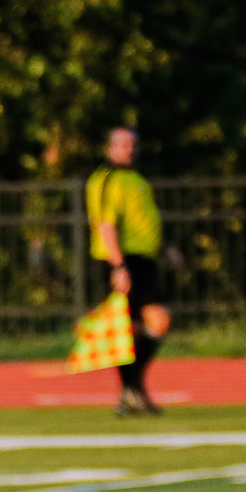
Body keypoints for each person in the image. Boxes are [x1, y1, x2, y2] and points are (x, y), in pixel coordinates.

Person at [86, 127, 169, 416]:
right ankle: (131, 389)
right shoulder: (107, 179)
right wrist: (118, 266)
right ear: (109, 148)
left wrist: (163, 248)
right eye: (122, 145)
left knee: (140, 328)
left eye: (132, 144)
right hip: (124, 260)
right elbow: (106, 224)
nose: (129, 150)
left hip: (142, 259)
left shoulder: (136, 179)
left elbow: (141, 221)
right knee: (152, 321)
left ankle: (131, 391)